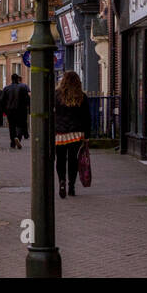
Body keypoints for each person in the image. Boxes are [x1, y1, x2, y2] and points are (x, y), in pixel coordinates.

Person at [54, 70, 91, 198]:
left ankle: (61, 181)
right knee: (73, 160)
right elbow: (87, 117)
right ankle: (71, 186)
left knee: (60, 159)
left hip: (60, 133)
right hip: (76, 133)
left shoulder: (56, 95)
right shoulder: (81, 96)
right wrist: (87, 136)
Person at [3, 73, 30, 148]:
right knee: (20, 125)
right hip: (21, 110)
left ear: (11, 79)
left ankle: (12, 142)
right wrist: (29, 109)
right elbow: (27, 99)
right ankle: (18, 137)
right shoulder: (23, 87)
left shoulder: (6, 88)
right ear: (18, 79)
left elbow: (3, 100)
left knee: (12, 126)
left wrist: (4, 110)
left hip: (10, 110)